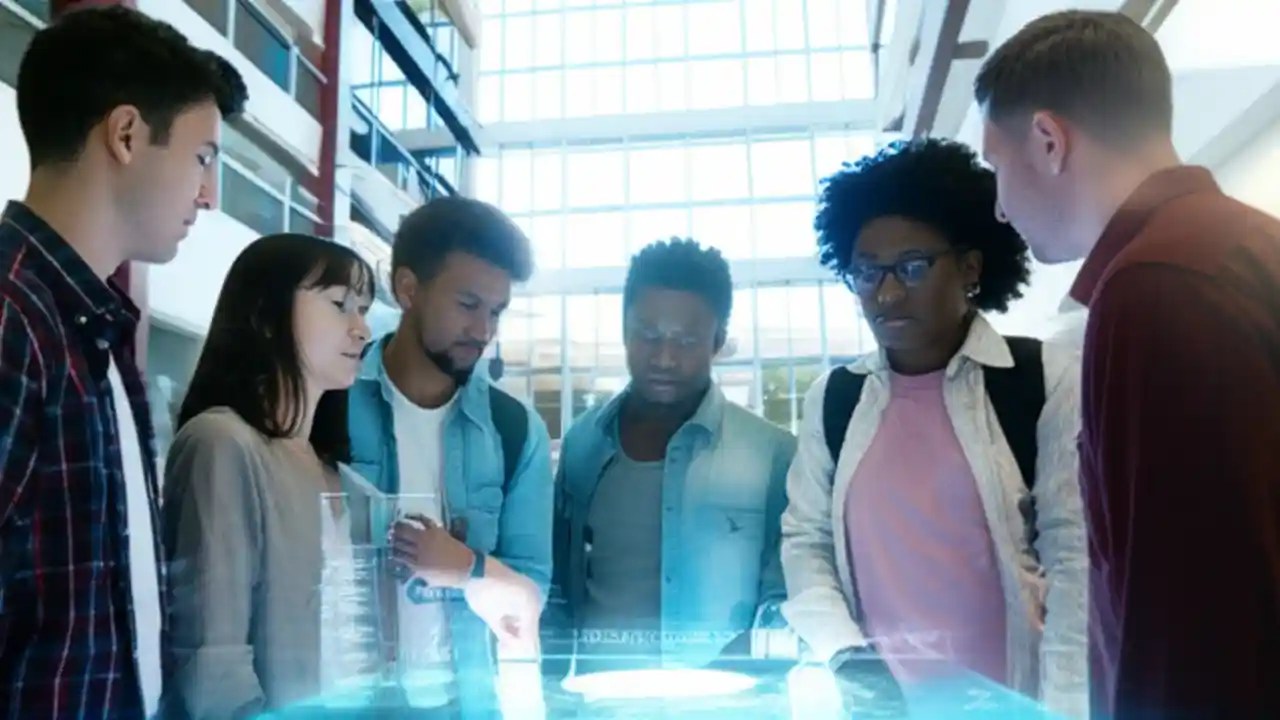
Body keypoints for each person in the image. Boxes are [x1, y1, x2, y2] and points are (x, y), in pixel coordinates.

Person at [976, 10, 1280, 719]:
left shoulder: (1159, 287)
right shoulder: (1238, 246)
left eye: (996, 166)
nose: (998, 208)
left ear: (1049, 141)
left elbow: (1193, 608)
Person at [779, 139, 1087, 718]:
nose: (886, 293)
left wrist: (1065, 708)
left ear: (970, 268)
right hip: (880, 706)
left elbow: (1074, 559)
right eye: (866, 272)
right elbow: (807, 542)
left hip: (1011, 701)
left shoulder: (1040, 379)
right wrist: (848, 657)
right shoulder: (837, 399)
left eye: (912, 268)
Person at [0, 7, 246, 718]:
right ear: (128, 135)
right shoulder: (17, 317)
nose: (208, 194)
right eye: (203, 158)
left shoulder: (93, 328)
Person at [548, 238, 796, 666]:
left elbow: (786, 601)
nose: (664, 357)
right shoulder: (583, 445)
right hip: (599, 702)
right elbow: (560, 594)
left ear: (717, 341)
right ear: (624, 332)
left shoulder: (772, 455)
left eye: (686, 341)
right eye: (648, 335)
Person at [349, 196, 552, 713]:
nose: (484, 331)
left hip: (469, 700)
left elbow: (534, 583)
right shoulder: (330, 404)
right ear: (408, 289)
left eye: (496, 312)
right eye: (468, 305)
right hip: (350, 698)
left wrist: (470, 567)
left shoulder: (514, 428)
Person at [160, 234, 374, 718]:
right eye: (340, 304)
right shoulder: (223, 443)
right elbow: (212, 658)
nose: (361, 329)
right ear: (264, 316)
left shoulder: (342, 478)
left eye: (363, 309)